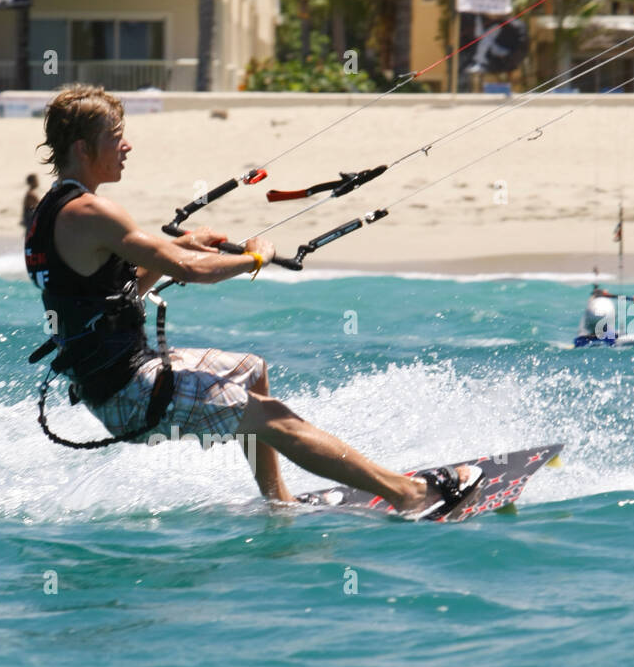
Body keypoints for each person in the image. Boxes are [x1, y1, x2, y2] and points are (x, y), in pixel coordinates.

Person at [25, 85, 481, 517]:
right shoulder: (92, 212)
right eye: (116, 138)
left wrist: (190, 243)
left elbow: (121, 292)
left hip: (110, 384)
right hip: (131, 392)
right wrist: (252, 259)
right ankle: (411, 495)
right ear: (84, 149)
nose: (127, 147)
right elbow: (192, 271)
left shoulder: (50, 212)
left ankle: (279, 502)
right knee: (274, 419)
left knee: (252, 370)